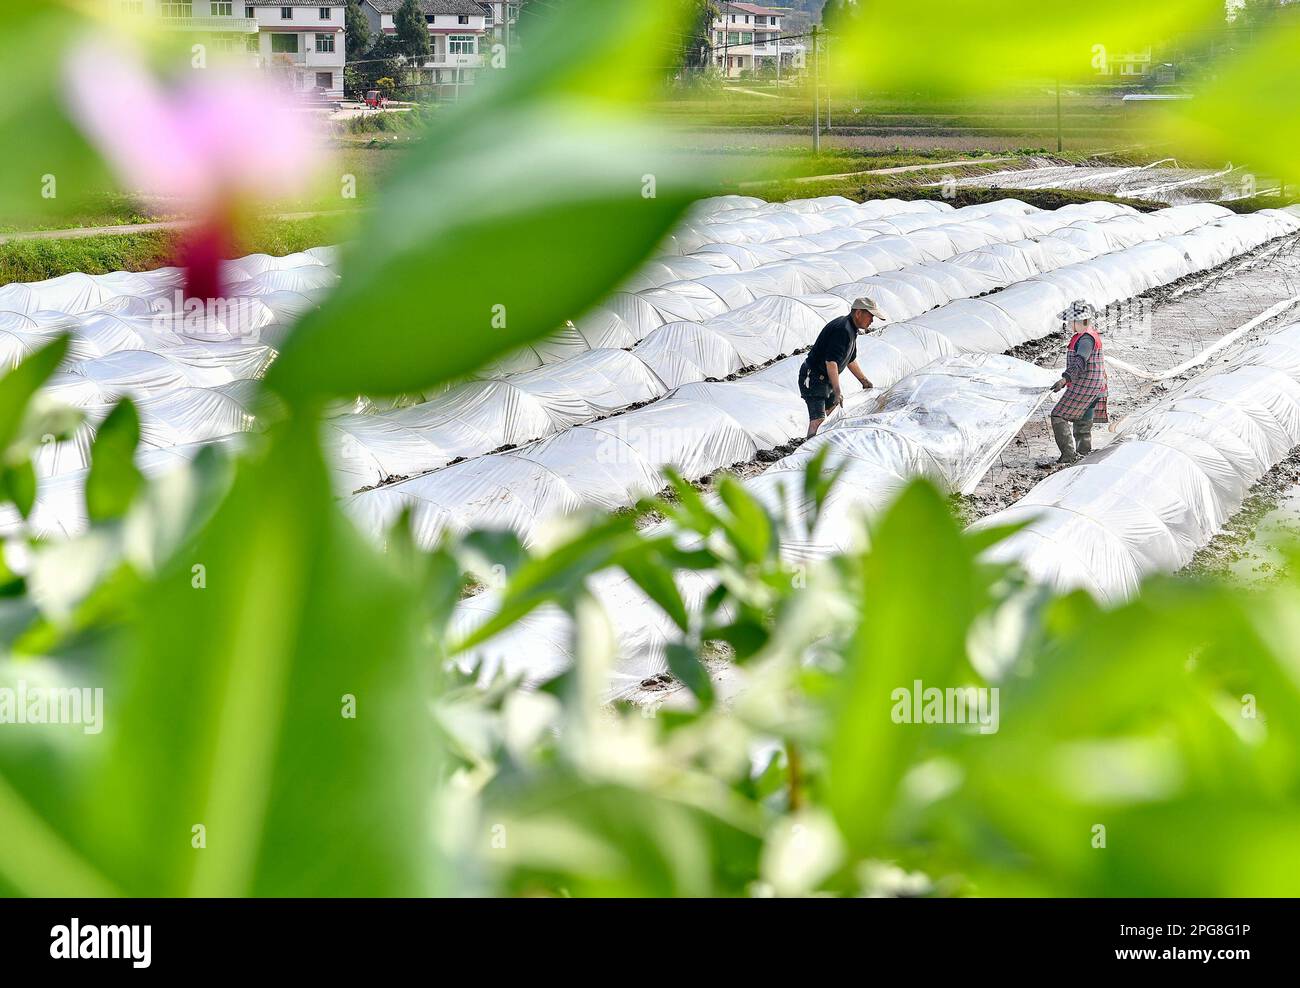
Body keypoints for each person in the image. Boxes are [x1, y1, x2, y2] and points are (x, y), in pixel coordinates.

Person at [798, 296, 884, 437]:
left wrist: (864, 381)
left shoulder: (851, 329)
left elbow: (850, 359)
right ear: (858, 313)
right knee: (818, 421)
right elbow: (831, 362)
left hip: (824, 380)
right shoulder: (842, 330)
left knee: (834, 415)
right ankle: (810, 453)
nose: (872, 321)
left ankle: (830, 447)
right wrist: (838, 391)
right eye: (870, 316)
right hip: (813, 378)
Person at [1045, 299, 1108, 466]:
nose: (1068, 324)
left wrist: (1065, 379)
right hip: (1096, 386)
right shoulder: (1088, 335)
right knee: (1082, 421)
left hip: (1086, 385)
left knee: (1058, 414)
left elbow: (1080, 362)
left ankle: (1068, 456)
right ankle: (1084, 455)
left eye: (1070, 321)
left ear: (1080, 321)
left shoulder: (1086, 340)